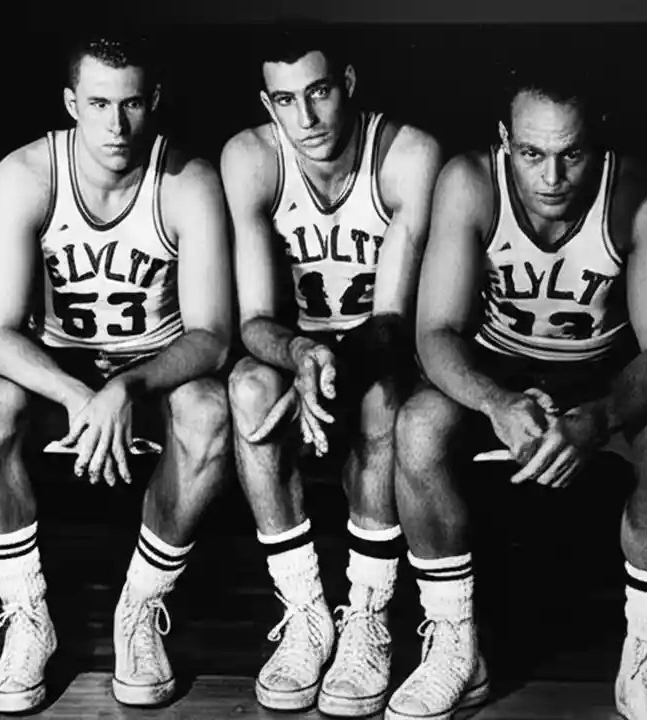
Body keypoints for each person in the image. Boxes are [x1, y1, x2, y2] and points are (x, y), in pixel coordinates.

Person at [391, 64, 647, 720]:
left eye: (572, 155)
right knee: (417, 424)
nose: (552, 179)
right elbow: (436, 332)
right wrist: (497, 403)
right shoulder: (471, 182)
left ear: (599, 143)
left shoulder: (641, 192)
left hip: (604, 376)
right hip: (499, 372)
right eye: (532, 154)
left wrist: (602, 415)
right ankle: (454, 647)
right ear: (505, 139)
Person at [0, 34, 233, 712]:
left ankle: (140, 610)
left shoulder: (187, 180)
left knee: (209, 411)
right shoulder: (27, 174)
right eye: (98, 104)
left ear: (155, 102)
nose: (116, 126)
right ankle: (28, 618)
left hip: (155, 367)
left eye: (133, 103)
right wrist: (82, 395)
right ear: (70, 103)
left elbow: (212, 337)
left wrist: (127, 388)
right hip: (60, 366)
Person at [220, 28, 441, 715]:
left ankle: (366, 619)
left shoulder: (408, 154)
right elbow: (253, 319)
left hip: (377, 353)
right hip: (293, 352)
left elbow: (395, 321)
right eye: (285, 101)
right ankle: (307, 612)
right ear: (268, 102)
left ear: (346, 81)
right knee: (247, 389)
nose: (306, 119)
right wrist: (302, 358)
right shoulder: (250, 156)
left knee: (380, 397)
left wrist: (331, 367)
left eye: (318, 93)